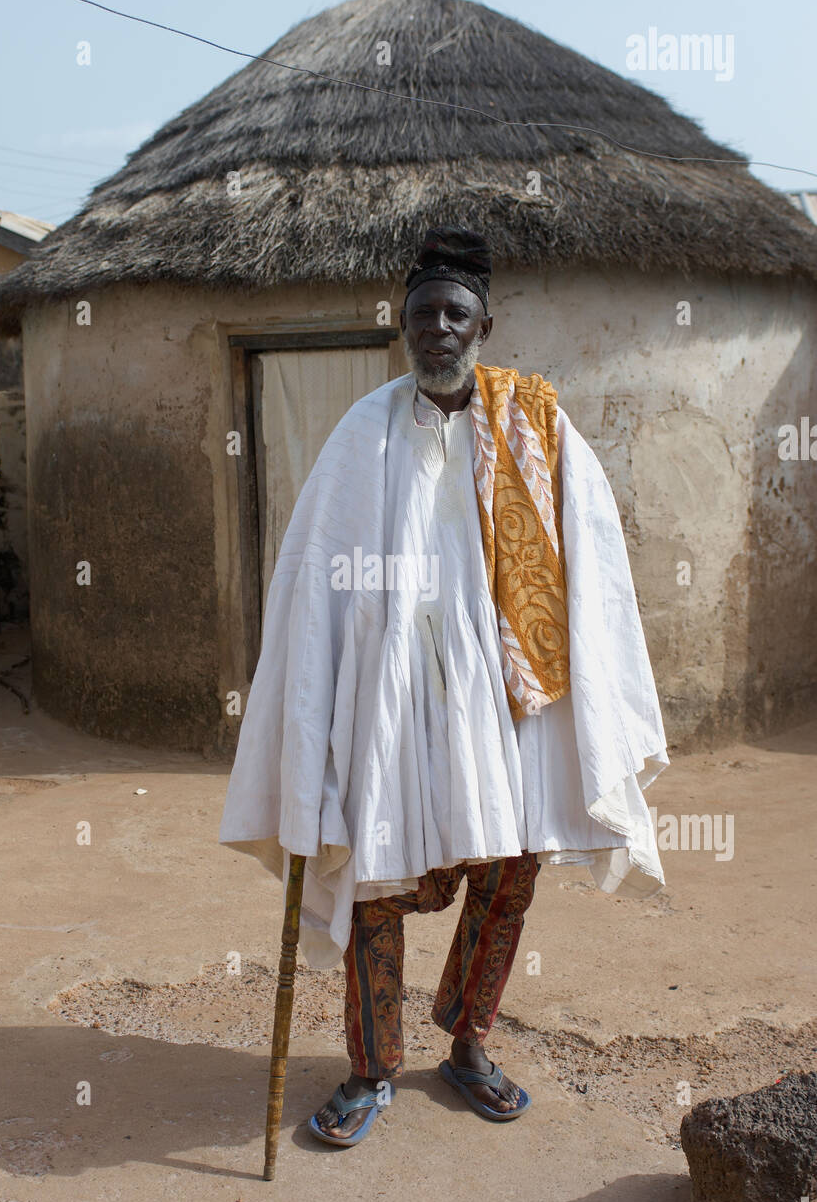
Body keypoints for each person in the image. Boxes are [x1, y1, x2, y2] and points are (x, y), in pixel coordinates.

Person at [219, 226, 669, 1147]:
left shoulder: (536, 424)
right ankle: (369, 1069)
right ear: (402, 323)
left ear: (483, 324)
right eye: (420, 313)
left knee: (509, 876)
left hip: (509, 700)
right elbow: (311, 578)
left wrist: (584, 688)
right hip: (391, 699)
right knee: (376, 879)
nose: (435, 328)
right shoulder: (361, 431)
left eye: (453, 314)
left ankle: (467, 1046)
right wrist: (317, 701)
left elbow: (594, 562)